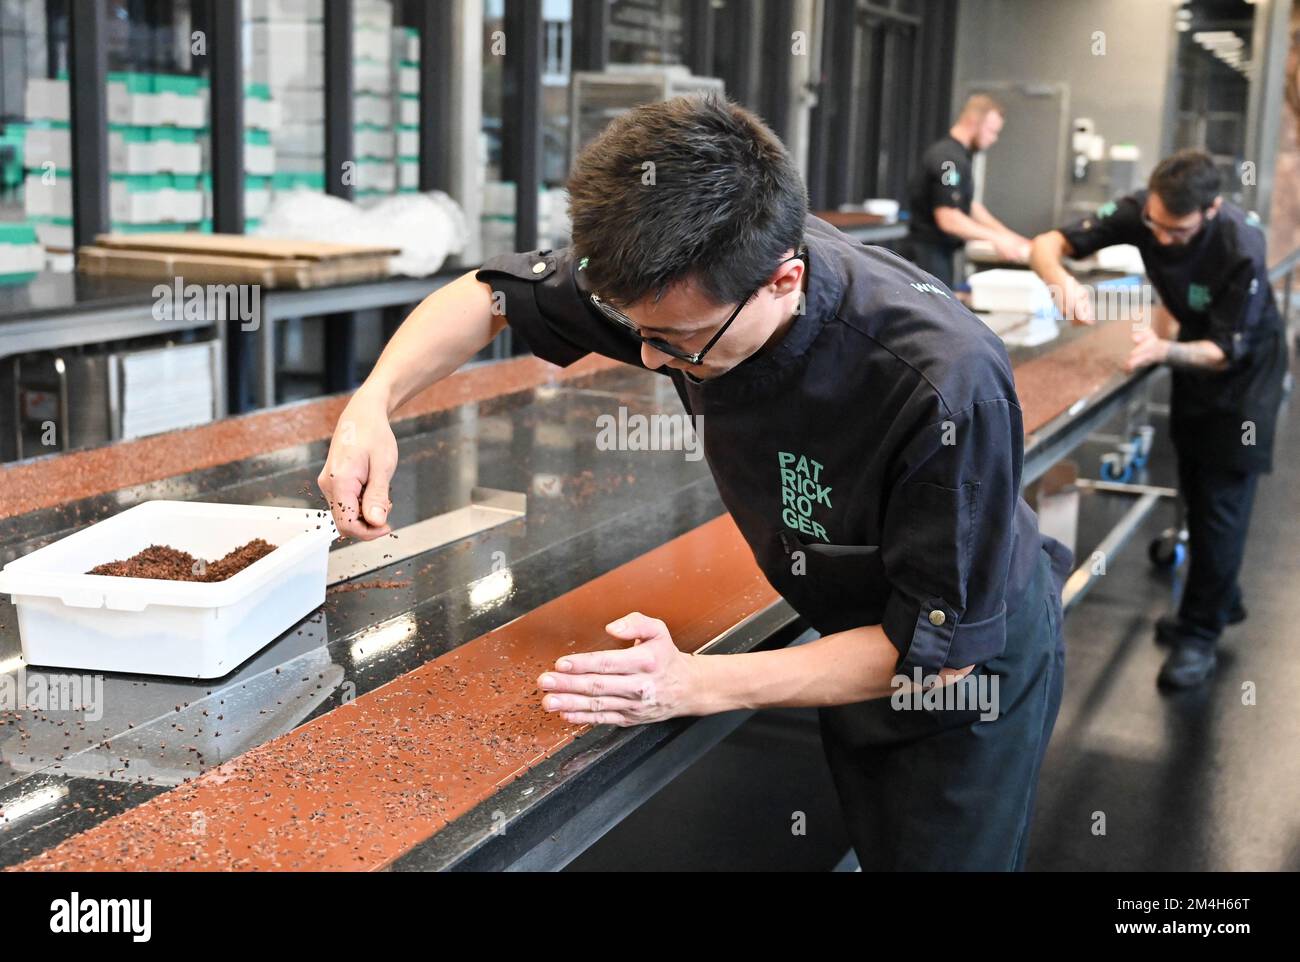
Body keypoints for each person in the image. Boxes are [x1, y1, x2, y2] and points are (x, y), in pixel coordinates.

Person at [319, 95, 1071, 870]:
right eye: (636, 330)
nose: (648, 359)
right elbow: (489, 297)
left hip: (959, 670)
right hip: (848, 618)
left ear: (785, 281)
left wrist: (697, 683)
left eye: (676, 342)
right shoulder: (686, 280)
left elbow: (938, 656)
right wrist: (371, 405)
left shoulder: (945, 385)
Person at [1030, 149, 1287, 690]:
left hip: (1242, 379)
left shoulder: (1241, 245)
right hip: (1192, 361)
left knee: (1221, 500)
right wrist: (1062, 282)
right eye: (1155, 225)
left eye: (1177, 231)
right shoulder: (1142, 212)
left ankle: (1201, 634)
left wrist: (1161, 352)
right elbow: (1046, 245)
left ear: (1212, 209)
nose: (1161, 238)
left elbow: (1222, 349)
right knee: (1194, 481)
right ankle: (1220, 596)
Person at [905, 94, 1033, 287]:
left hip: (941, 256)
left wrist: (1010, 237)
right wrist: (996, 239)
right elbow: (949, 218)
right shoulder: (947, 158)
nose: (993, 139)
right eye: (991, 131)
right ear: (973, 121)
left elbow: (969, 206)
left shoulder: (960, 157)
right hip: (926, 257)